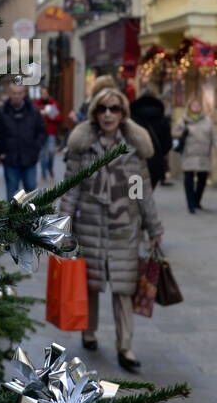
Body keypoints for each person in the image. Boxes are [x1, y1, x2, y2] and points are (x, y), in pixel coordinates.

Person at [59, 86, 164, 372]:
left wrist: (154, 228)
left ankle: (125, 347)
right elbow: (72, 189)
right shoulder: (84, 147)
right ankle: (89, 332)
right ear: (95, 113)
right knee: (91, 283)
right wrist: (62, 226)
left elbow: (142, 193)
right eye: (103, 109)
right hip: (90, 225)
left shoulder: (132, 150)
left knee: (123, 288)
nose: (108, 114)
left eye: (114, 109)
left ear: (123, 114)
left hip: (124, 228)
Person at [0, 82, 47, 195]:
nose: (17, 96)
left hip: (29, 158)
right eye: (14, 93)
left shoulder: (34, 111)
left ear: (24, 93)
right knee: (12, 193)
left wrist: (36, 148)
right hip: (10, 159)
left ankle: (29, 213)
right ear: (9, 94)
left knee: (30, 191)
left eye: (19, 93)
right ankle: (12, 213)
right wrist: (0, 152)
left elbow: (41, 131)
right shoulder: (2, 111)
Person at [172, 98, 217, 213]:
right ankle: (191, 204)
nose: (196, 107)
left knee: (202, 180)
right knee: (189, 179)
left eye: (198, 105)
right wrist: (182, 133)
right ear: (189, 107)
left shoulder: (208, 120)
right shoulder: (183, 120)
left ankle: (197, 200)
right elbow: (174, 133)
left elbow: (215, 137)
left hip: (203, 155)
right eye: (194, 105)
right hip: (189, 154)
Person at [130, 87, 173, 189]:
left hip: (136, 161)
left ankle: (137, 203)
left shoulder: (133, 118)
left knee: (135, 194)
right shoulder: (162, 118)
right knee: (148, 192)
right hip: (155, 162)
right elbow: (168, 144)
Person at [35, 87, 62, 181]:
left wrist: (51, 116)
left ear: (48, 94)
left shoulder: (53, 103)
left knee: (51, 152)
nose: (44, 95)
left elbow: (59, 118)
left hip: (51, 132)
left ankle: (50, 168)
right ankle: (43, 173)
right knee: (42, 154)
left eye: (45, 93)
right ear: (40, 94)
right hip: (40, 133)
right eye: (42, 93)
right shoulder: (36, 104)